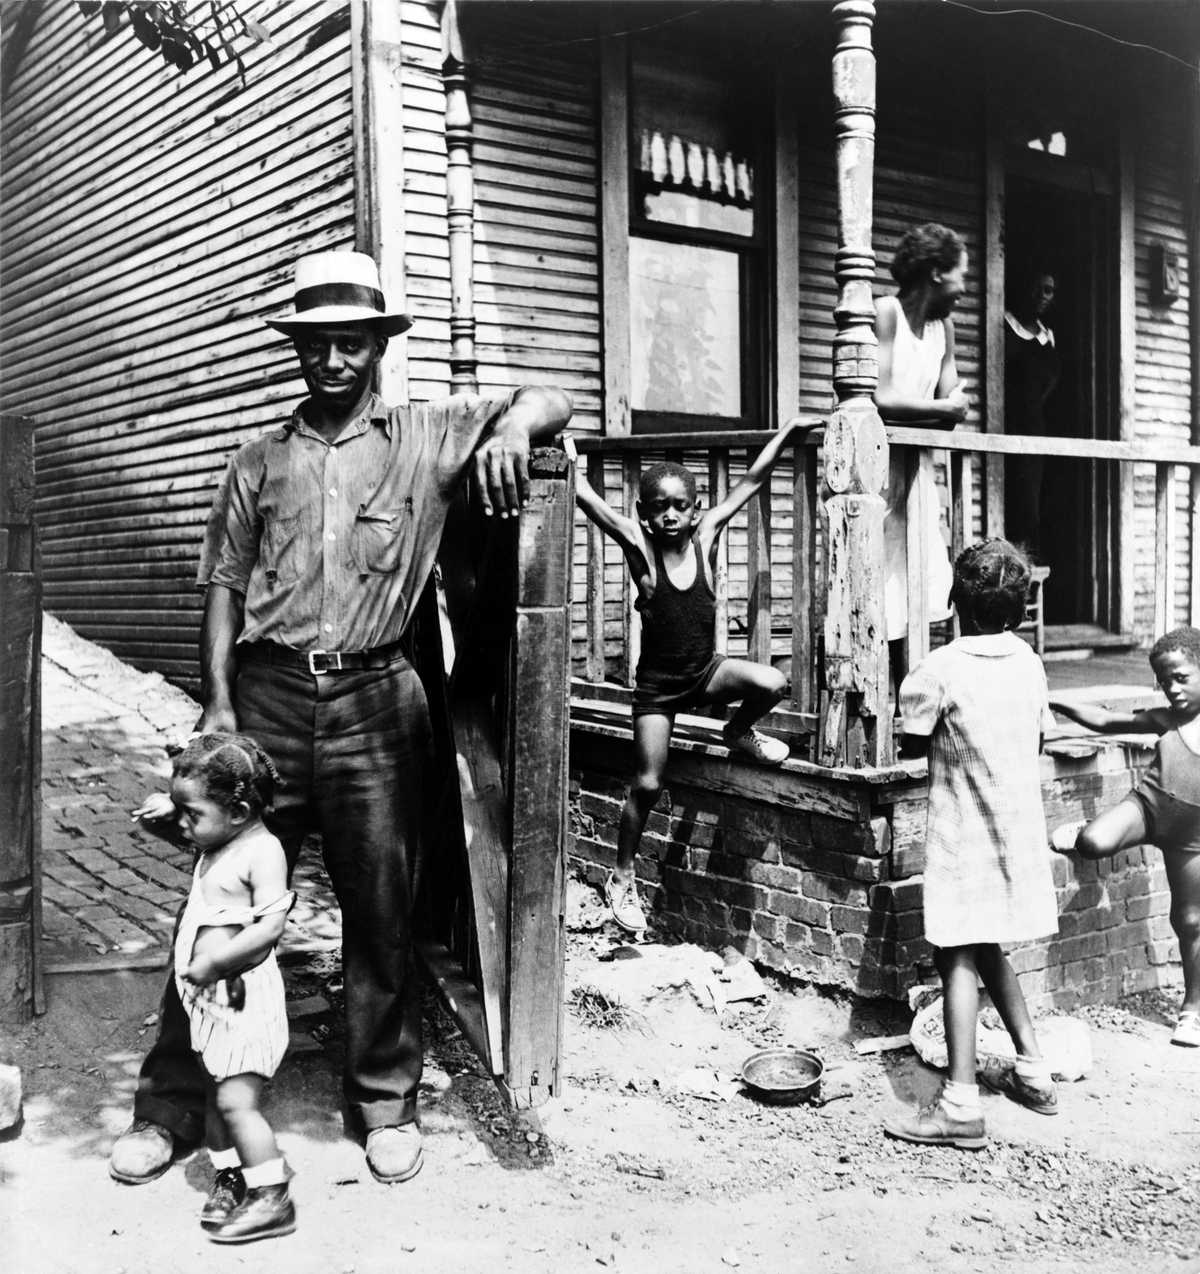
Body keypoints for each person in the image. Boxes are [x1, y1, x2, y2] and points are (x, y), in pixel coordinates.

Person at [109, 250, 572, 1188]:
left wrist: (516, 427)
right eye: (317, 344)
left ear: (378, 348)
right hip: (269, 696)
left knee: (381, 907)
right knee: (216, 903)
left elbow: (551, 392)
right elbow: (225, 591)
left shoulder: (428, 436)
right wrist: (221, 704)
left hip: (376, 698)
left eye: (350, 344)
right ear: (299, 349)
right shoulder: (258, 461)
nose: (332, 361)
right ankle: (170, 1105)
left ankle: (384, 1102)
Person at [565, 425, 803, 933]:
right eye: (658, 506)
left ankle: (738, 733)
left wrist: (788, 431)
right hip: (658, 691)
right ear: (643, 513)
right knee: (648, 782)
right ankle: (622, 876)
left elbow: (753, 480)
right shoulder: (641, 551)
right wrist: (563, 449)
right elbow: (587, 498)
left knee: (773, 683)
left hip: (705, 674)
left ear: (696, 509)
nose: (669, 514)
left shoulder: (707, 537)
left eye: (679, 505)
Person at [882, 539, 1059, 1150]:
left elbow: (912, 741)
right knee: (988, 946)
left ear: (955, 600)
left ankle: (959, 1105)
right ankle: (1033, 1070)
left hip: (963, 832)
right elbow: (1037, 738)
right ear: (1020, 606)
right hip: (1014, 829)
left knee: (954, 952)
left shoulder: (939, 669)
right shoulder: (1030, 662)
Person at [131, 733, 295, 1242]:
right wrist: (175, 806)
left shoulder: (263, 852)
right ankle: (235, 1176)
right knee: (213, 1095)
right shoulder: (219, 835)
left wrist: (215, 962)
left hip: (243, 1004)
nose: (184, 824)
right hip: (212, 1005)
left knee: (236, 1103)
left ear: (241, 810)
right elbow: (201, 835)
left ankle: (273, 1197)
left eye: (191, 813)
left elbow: (269, 927)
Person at [1050, 626, 1200, 1048]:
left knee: (1190, 920)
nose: (1172, 689)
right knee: (1093, 843)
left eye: (1182, 678)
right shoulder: (1167, 720)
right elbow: (1102, 719)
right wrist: (1050, 697)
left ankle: (1193, 1008)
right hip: (1150, 807)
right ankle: (1083, 831)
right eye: (1164, 681)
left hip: (1193, 836)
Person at [874, 222, 970, 686]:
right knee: (876, 584)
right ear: (935, 272)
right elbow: (881, 398)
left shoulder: (943, 329)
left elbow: (955, 410)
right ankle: (877, 693)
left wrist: (943, 409)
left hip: (917, 472)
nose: (964, 290)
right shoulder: (886, 313)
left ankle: (909, 697)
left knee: (917, 581)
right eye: (959, 276)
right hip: (874, 472)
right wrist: (940, 408)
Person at [1003, 267, 1060, 558]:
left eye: (1048, 290)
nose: (1042, 295)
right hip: (1009, 426)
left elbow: (1050, 385)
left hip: (1037, 429)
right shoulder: (1007, 325)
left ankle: (1028, 570)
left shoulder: (1048, 337)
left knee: (1033, 504)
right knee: (1015, 499)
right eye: (1037, 287)